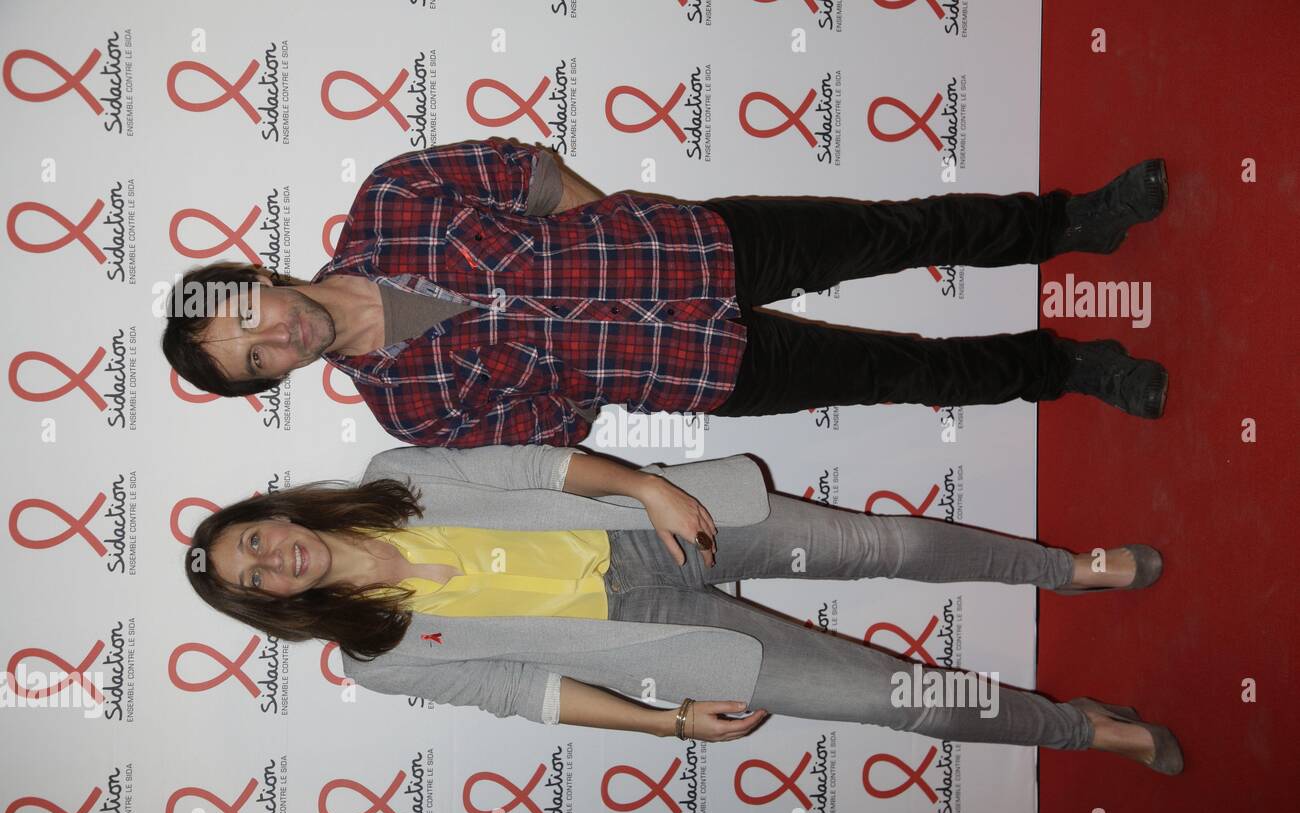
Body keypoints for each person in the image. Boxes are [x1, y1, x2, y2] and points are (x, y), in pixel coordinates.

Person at [184, 443, 1183, 774]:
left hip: (652, 526)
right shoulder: (375, 654)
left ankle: (1068, 567)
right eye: (256, 575)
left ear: (275, 513)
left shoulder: (390, 476)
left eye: (256, 536)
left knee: (889, 543)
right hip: (653, 641)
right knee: (899, 700)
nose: (274, 557)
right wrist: (664, 720)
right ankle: (1086, 728)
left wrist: (650, 489)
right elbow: (521, 689)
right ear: (273, 604)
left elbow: (533, 462)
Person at [161, 137, 1170, 448]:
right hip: (697, 369)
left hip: (694, 244)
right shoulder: (409, 408)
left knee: (897, 232)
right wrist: (591, 362)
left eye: (250, 318)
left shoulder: (392, 198)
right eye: (256, 362)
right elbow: (552, 433)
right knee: (897, 373)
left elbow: (533, 174)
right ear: (272, 380)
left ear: (255, 275)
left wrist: (615, 228)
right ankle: (1070, 366)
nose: (276, 337)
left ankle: (1071, 222)